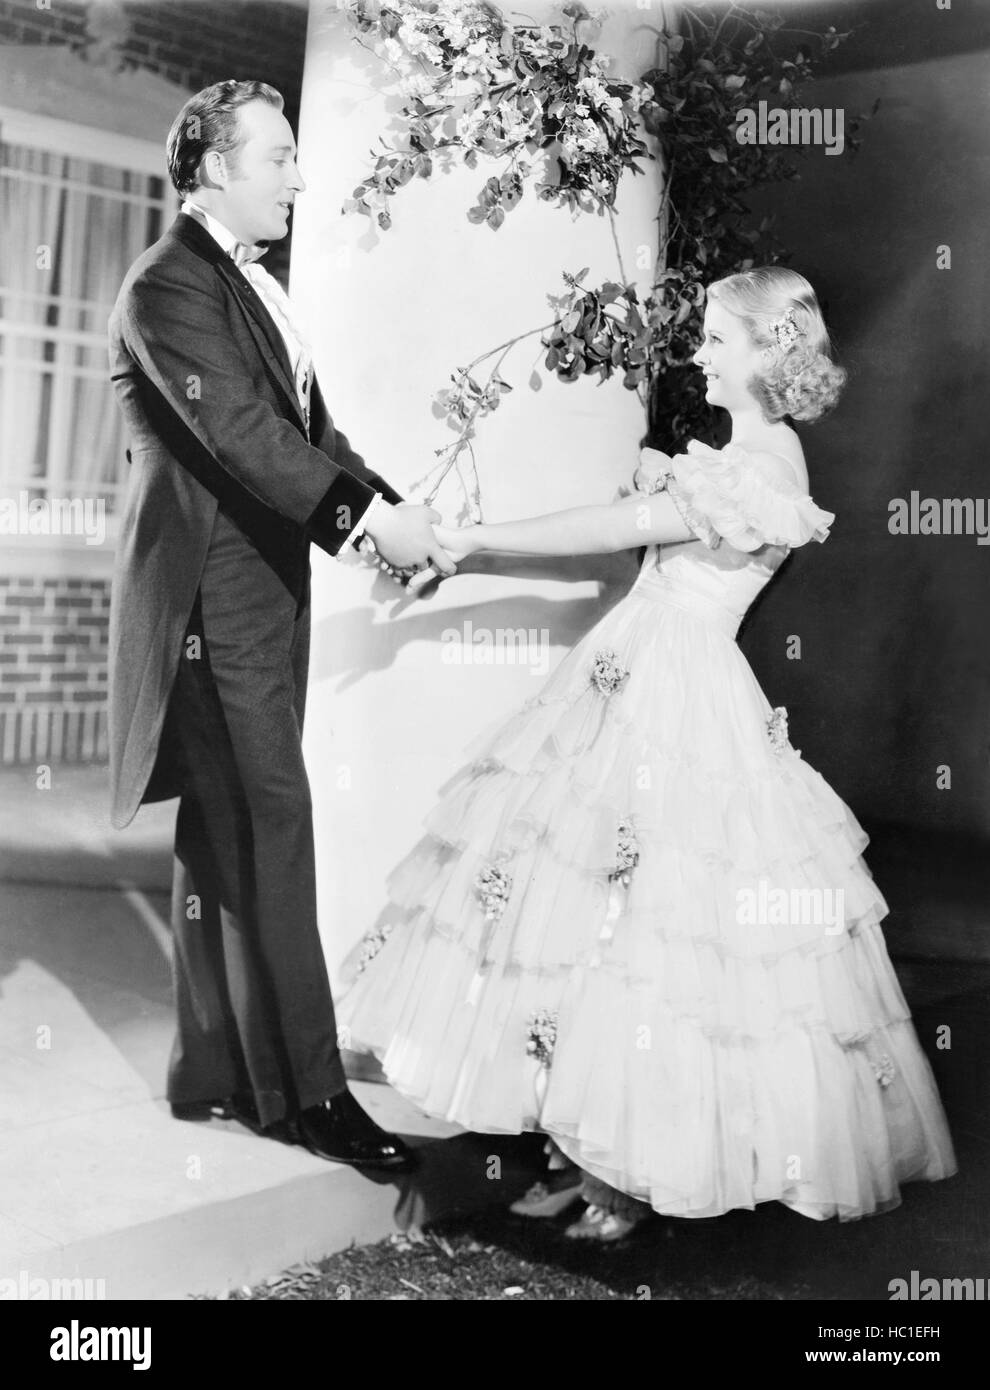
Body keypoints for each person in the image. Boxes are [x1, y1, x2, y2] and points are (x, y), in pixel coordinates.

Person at [337, 266, 956, 1233]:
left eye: (718, 337)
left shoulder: (758, 470)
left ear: (770, 349)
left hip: (677, 688)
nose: (699, 352)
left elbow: (607, 531)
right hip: (637, 671)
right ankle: (585, 1150)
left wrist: (466, 539)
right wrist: (473, 550)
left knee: (655, 935)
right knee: (588, 915)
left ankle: (628, 1174)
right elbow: (630, 530)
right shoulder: (735, 459)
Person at [107, 79, 454, 1169]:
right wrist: (372, 531)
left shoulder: (245, 285)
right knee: (273, 824)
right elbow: (251, 438)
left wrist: (395, 519)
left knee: (225, 829)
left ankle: (213, 1071)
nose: (301, 179)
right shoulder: (168, 284)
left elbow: (314, 430)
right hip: (212, 607)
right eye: (280, 158)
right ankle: (311, 1094)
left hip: (260, 595)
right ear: (215, 167)